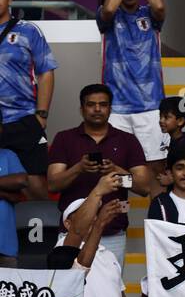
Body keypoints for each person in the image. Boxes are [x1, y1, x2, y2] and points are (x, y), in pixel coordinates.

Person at [47, 84, 154, 268]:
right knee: (70, 290)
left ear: (110, 108)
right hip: (73, 232)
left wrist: (117, 171)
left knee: (110, 290)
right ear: (82, 109)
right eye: (91, 104)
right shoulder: (65, 138)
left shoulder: (127, 140)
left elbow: (144, 187)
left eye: (103, 104)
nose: (97, 109)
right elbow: (52, 184)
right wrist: (79, 168)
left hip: (112, 232)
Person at [97, 0, 167, 175]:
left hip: (151, 107)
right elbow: (109, 8)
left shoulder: (151, 15)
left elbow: (160, 7)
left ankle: (157, 209)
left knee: (156, 172)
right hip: (116, 109)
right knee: (112, 172)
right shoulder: (106, 16)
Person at [0, 0, 56, 201]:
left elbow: (45, 72)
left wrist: (41, 115)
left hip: (23, 119)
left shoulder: (28, 30)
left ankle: (47, 235)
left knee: (35, 186)